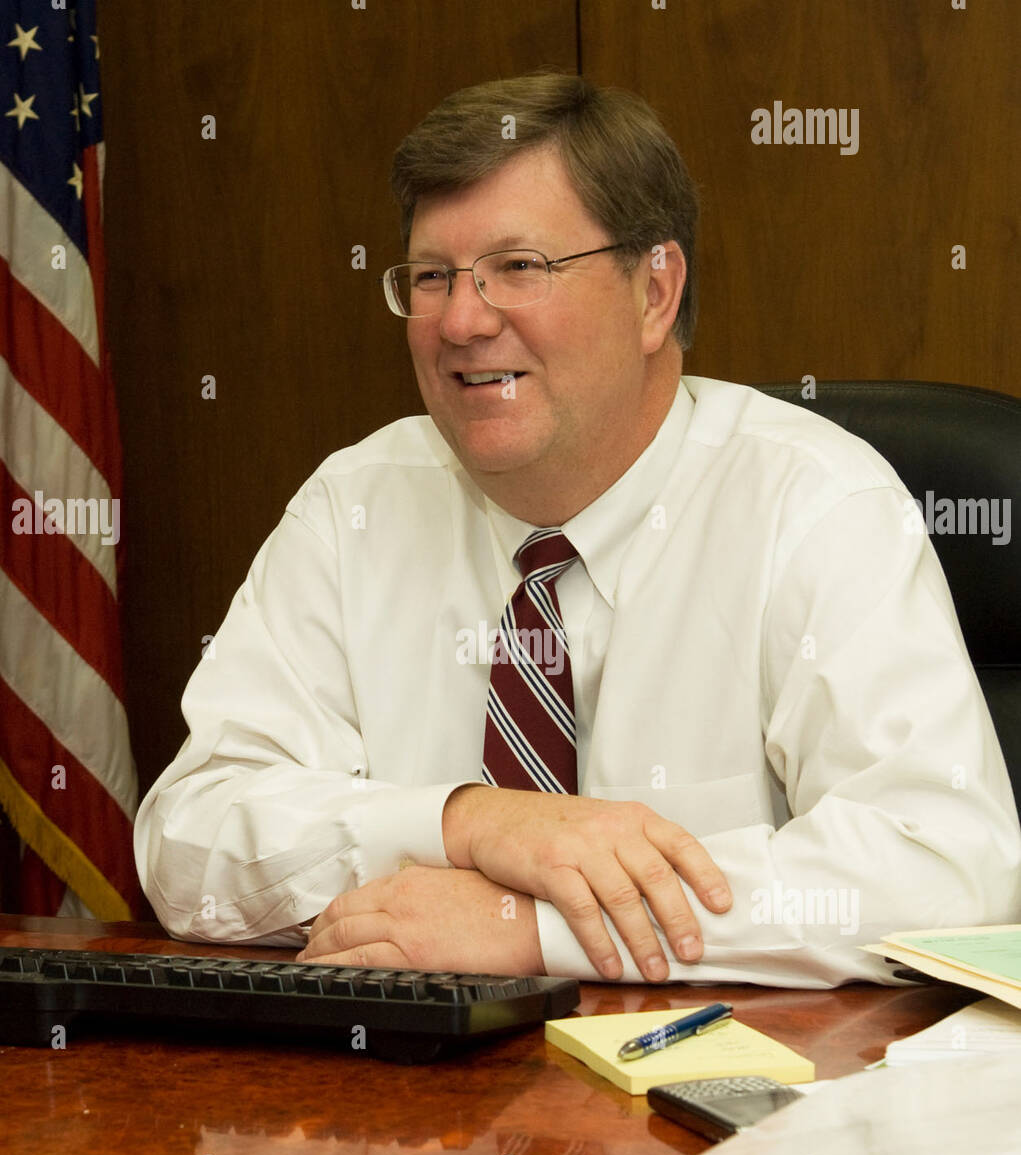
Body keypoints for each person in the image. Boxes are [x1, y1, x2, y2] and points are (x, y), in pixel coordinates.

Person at [134, 73, 1021, 986]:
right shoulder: (355, 502)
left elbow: (946, 868)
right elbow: (185, 844)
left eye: (520, 268)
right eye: (433, 277)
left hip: (728, 1109)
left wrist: (536, 924)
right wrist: (468, 822)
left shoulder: (812, 505)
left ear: (653, 292)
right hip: (413, 1104)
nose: (463, 321)